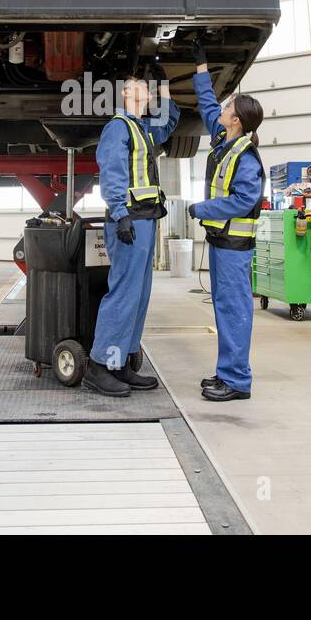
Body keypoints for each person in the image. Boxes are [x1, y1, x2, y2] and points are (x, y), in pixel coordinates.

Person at [83, 64, 180, 397]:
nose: (147, 91)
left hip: (146, 219)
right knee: (124, 294)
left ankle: (120, 362)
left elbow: (169, 122)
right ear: (126, 93)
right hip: (129, 223)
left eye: (149, 88)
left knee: (138, 297)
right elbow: (111, 172)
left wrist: (164, 85)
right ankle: (98, 367)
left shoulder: (143, 128)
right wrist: (121, 214)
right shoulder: (118, 127)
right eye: (140, 85)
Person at [187, 41, 264, 401]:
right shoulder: (223, 140)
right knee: (224, 309)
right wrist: (201, 69)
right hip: (221, 244)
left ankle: (237, 382)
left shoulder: (246, 158)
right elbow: (206, 106)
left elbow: (242, 201)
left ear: (236, 119)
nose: (223, 106)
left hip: (234, 249)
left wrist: (200, 209)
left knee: (233, 312)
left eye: (228, 105)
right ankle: (226, 372)